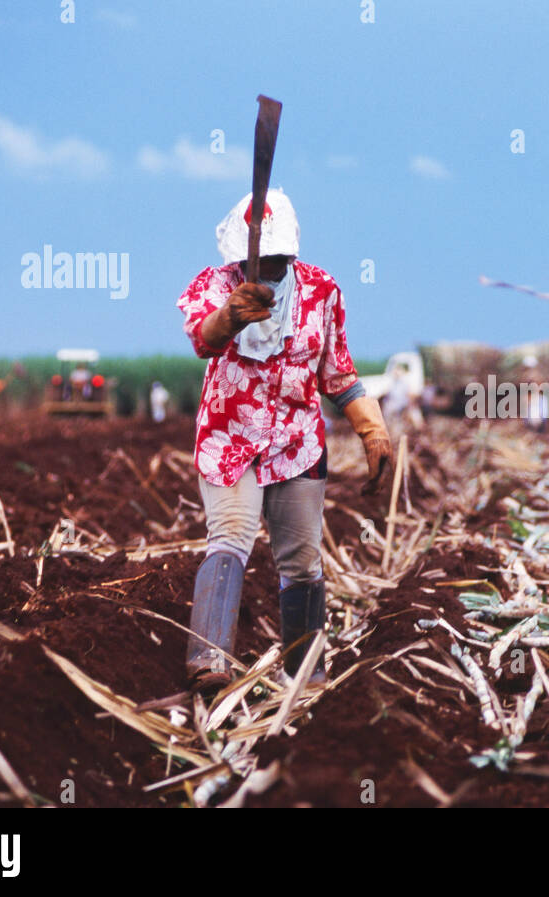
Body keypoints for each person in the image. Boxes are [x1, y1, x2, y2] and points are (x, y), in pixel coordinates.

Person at [176, 188, 392, 693]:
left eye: (279, 257)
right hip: (230, 441)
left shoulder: (321, 291)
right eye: (261, 256)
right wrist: (230, 316)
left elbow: (337, 373)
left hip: (297, 444)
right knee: (229, 536)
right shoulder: (215, 286)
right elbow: (201, 339)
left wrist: (371, 427)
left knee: (301, 560)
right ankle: (208, 660)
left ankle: (306, 671)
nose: (270, 264)